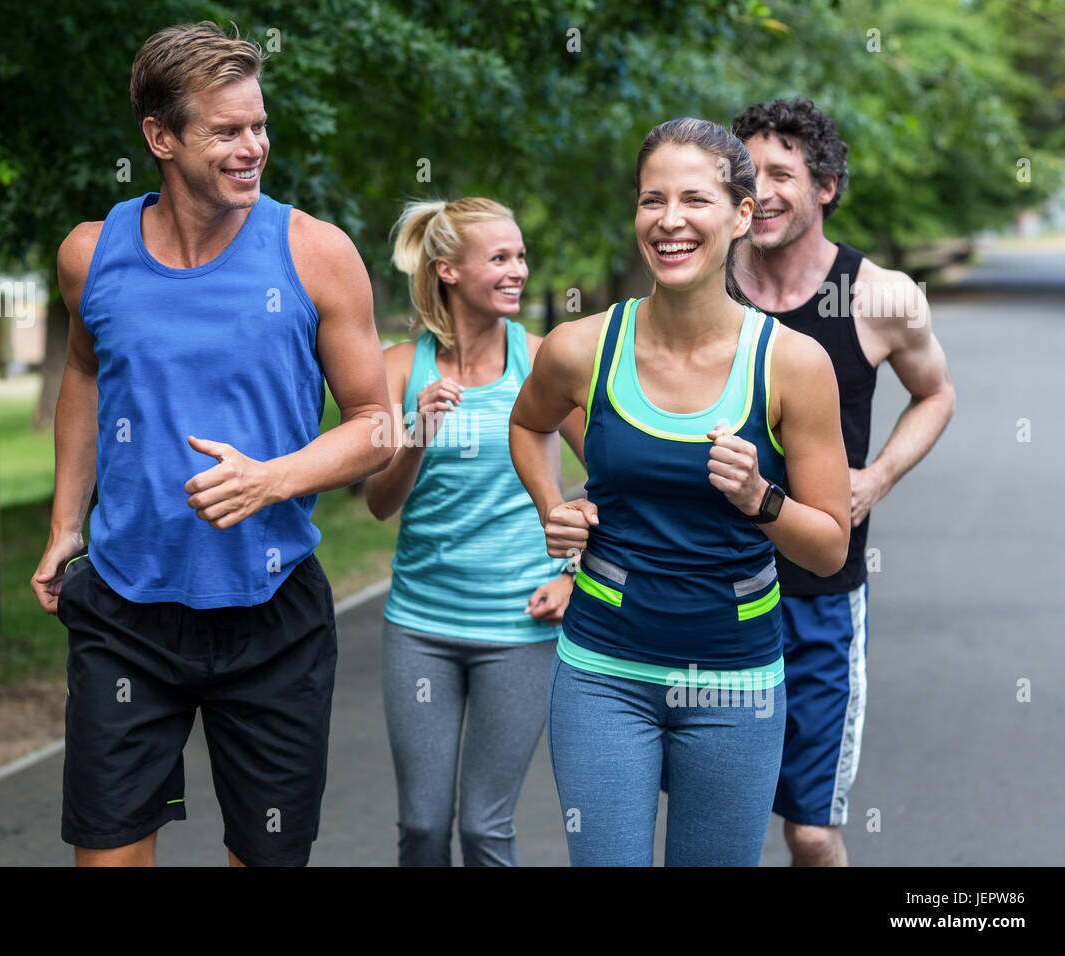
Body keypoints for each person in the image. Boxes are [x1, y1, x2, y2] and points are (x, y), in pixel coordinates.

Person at [28, 21, 393, 868]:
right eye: (226, 131)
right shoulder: (92, 255)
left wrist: (273, 480)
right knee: (109, 855)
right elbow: (82, 377)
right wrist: (62, 523)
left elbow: (378, 423)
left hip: (273, 617)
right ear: (160, 137)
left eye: (259, 126)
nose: (253, 147)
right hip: (126, 611)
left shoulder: (315, 252)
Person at [509, 117, 851, 866]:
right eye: (649, 200)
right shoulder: (582, 346)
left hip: (735, 679)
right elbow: (528, 424)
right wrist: (552, 510)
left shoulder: (792, 364)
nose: (668, 221)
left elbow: (829, 550)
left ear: (740, 215)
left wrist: (763, 497)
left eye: (694, 200)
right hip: (604, 669)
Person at [730, 99, 956, 866]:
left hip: (820, 592)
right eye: (746, 173)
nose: (757, 190)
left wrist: (879, 475)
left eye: (780, 173)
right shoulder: (702, 285)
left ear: (825, 185)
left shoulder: (880, 296)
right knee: (714, 822)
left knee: (813, 831)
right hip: (708, 586)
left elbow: (937, 394)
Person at [366, 197, 587, 866]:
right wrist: (415, 437)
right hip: (420, 628)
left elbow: (614, 475)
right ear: (449, 272)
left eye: (520, 255)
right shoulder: (402, 368)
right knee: (424, 828)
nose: (518, 269)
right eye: (500, 258)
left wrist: (575, 575)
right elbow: (379, 504)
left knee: (486, 831)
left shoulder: (542, 361)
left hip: (519, 627)